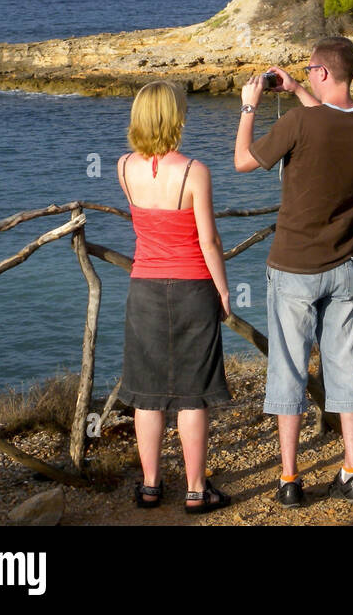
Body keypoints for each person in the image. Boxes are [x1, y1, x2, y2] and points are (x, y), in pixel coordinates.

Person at [233, 37, 353, 508]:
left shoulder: (299, 122)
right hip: (346, 266)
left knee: (289, 370)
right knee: (345, 369)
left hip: (294, 267)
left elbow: (243, 162)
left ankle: (290, 479)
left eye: (310, 69)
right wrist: (298, 88)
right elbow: (329, 120)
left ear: (322, 72)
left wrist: (248, 108)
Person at [117, 80, 232, 514]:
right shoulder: (193, 171)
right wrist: (222, 288)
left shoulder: (123, 166)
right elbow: (210, 241)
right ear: (175, 118)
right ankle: (196, 489)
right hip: (192, 290)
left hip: (144, 287)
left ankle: (149, 485)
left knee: (147, 394)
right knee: (193, 394)